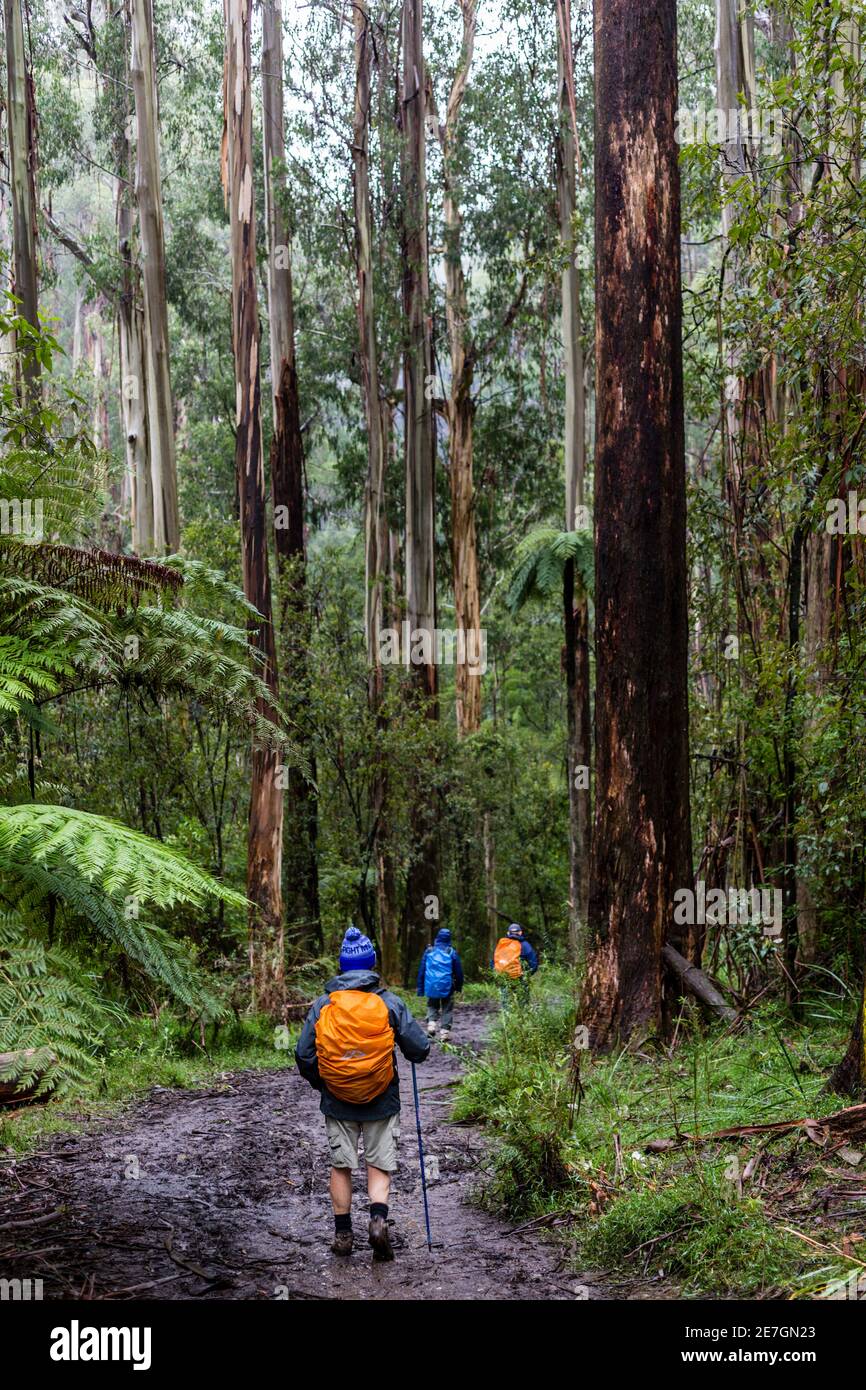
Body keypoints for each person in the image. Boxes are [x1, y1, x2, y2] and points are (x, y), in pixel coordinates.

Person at [295, 925, 430, 1261]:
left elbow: (303, 1053)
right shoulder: (389, 1003)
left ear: (342, 967)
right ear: (371, 965)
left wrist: (324, 1082)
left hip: (337, 1099)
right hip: (382, 1098)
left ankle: (343, 1235)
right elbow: (419, 1049)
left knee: (341, 1166)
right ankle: (378, 1222)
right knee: (378, 1164)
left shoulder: (324, 1004)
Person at [417, 927, 464, 1041]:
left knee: (432, 1005)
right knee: (447, 1008)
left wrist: (420, 989)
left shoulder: (429, 951)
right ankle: (444, 1034)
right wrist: (458, 986)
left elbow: (422, 970)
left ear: (437, 938)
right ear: (449, 939)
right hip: (448, 986)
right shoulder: (451, 952)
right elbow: (458, 972)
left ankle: (431, 1025)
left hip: (431, 985)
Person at [491, 922, 538, 1006]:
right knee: (523, 1004)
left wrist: (497, 975)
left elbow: (493, 961)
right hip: (520, 978)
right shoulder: (525, 945)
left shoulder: (502, 944)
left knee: (506, 1005)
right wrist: (527, 975)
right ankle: (522, 1016)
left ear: (508, 933)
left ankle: (507, 1018)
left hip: (504, 978)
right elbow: (533, 963)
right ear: (520, 932)